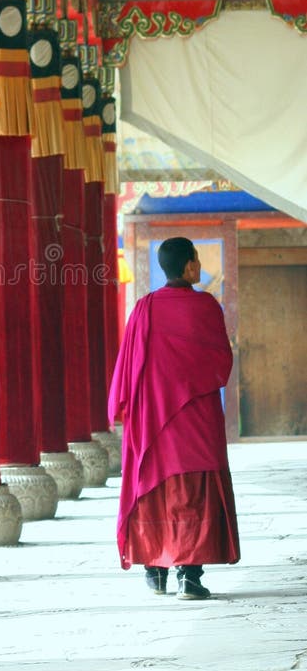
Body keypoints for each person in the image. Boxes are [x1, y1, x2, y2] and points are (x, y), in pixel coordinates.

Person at [107, 237, 240, 600]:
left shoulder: (143, 308)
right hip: (195, 418)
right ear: (188, 266)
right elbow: (219, 363)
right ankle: (190, 576)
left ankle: (156, 570)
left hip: (154, 419)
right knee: (194, 489)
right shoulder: (205, 306)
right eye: (196, 259)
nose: (198, 264)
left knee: (155, 485)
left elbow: (128, 370)